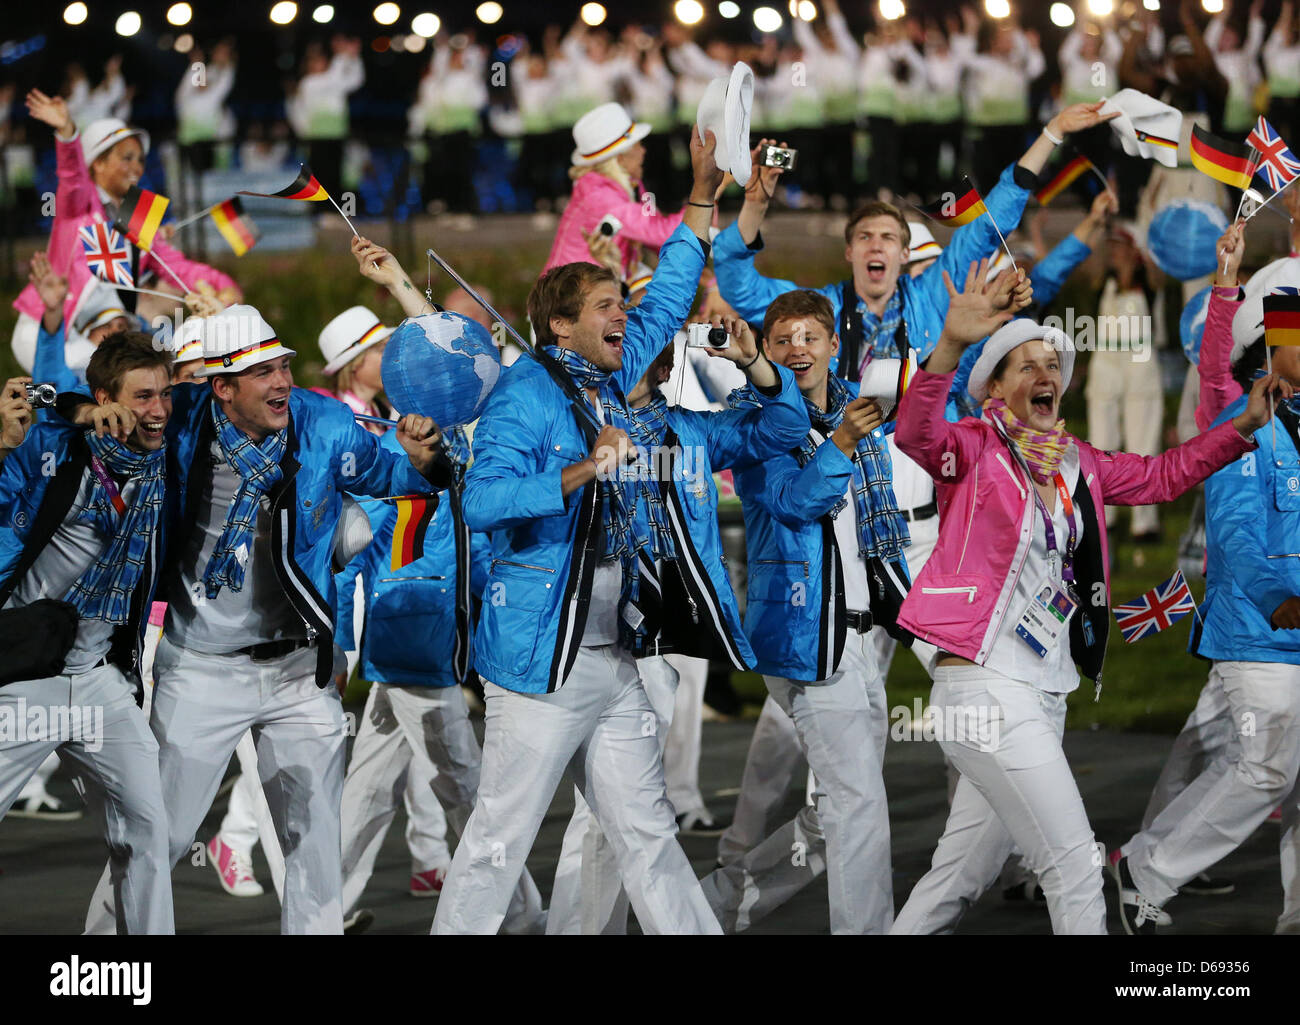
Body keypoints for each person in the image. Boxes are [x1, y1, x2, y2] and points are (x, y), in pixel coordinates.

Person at [889, 259, 1281, 935]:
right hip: (986, 690)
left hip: (1042, 690)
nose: (1044, 375)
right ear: (996, 389)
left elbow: (1165, 475)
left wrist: (1243, 421)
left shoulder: (1078, 461)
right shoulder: (976, 449)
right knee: (1074, 866)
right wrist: (949, 345)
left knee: (957, 876)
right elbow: (915, 434)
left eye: (1052, 364)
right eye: (1025, 365)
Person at [432, 125, 726, 935]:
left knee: (651, 837)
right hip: (538, 663)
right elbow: (480, 502)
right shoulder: (522, 394)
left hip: (614, 656)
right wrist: (581, 471)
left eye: (620, 306)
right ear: (559, 325)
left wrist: (702, 189)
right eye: (606, 306)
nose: (624, 317)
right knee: (498, 839)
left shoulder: (612, 373)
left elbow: (669, 290)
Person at [80, 302, 451, 935]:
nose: (281, 381)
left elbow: (398, 474)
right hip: (199, 669)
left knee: (313, 850)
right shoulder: (181, 420)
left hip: (296, 673)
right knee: (155, 843)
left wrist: (423, 458)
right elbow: (77, 412)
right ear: (221, 388)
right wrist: (85, 412)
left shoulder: (325, 423)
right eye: (261, 373)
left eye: (282, 364)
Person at [547, 310, 807, 935]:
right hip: (588, 640)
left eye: (668, 351)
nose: (668, 362)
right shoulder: (575, 423)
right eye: (652, 350)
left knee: (621, 814)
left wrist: (751, 362)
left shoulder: (687, 429)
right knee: (600, 814)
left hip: (660, 642)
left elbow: (785, 426)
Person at [696, 286, 924, 935]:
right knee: (857, 804)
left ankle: (711, 907)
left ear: (831, 344)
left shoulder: (857, 409)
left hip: (858, 640)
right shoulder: (755, 423)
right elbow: (796, 501)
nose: (798, 349)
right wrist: (844, 443)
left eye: (809, 337)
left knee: (835, 815)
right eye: (783, 340)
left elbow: (871, 534)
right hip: (805, 634)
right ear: (764, 352)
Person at [1112, 223, 1300, 935]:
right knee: (1262, 769)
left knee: (1265, 768)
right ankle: (1147, 866)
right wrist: (1225, 289)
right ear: (1273, 351)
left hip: (1282, 627)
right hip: (1257, 624)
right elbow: (1238, 531)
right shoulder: (1241, 417)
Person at [713, 103, 1116, 390]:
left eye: (889, 238)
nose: (876, 246)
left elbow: (988, 227)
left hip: (926, 461)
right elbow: (739, 286)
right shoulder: (818, 310)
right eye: (865, 238)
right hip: (844, 465)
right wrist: (755, 205)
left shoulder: (934, 294)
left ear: (904, 256)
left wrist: (1052, 133)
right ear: (849, 252)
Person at [1, 336, 178, 934]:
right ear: (106, 400)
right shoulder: (50, 446)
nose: (157, 410)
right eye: (143, 397)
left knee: (152, 832)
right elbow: (40, 400)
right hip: (23, 681)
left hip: (100, 680)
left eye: (164, 395)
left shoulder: (163, 459)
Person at [15, 90, 239, 373]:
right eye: (126, 158)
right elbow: (72, 177)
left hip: (100, 335)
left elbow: (175, 267)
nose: (137, 167)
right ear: (97, 163)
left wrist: (223, 286)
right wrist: (67, 133)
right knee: (94, 391)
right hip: (50, 327)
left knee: (168, 372)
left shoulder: (139, 215)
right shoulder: (78, 205)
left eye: (140, 159)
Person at [545, 101, 695, 279]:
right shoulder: (601, 196)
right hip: (569, 299)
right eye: (638, 145)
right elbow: (659, 234)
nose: (643, 151)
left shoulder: (631, 184)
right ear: (619, 158)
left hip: (598, 285)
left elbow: (652, 223)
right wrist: (706, 195)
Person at [287, 36, 364, 198]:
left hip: (336, 134)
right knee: (320, 175)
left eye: (321, 60)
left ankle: (334, 210)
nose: (319, 64)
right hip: (317, 136)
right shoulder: (308, 83)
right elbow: (333, 79)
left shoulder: (333, 82)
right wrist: (342, 54)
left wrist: (354, 57)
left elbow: (356, 80)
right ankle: (320, 211)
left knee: (336, 172)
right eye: (314, 61)